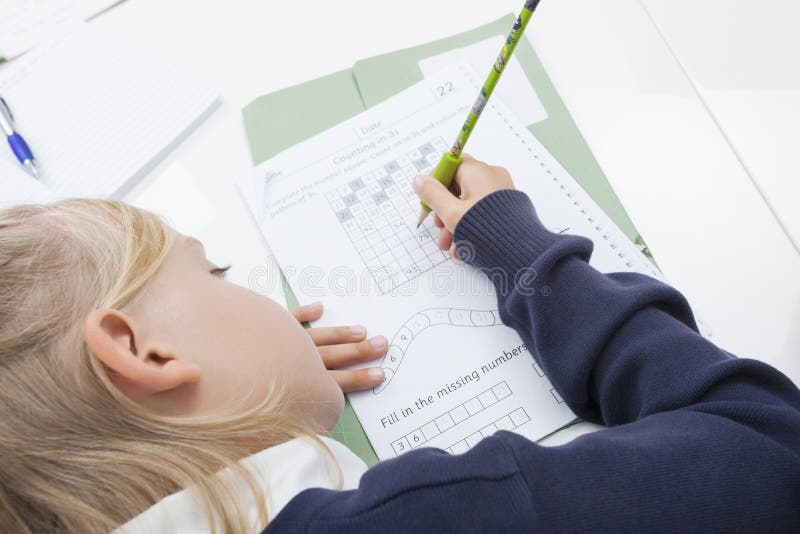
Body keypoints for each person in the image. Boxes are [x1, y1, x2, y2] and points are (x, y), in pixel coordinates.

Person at [1, 157, 798, 533]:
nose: (252, 294)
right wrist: (528, 258)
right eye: (214, 272)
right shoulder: (444, 514)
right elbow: (768, 443)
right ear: (144, 354)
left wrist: (250, 392)